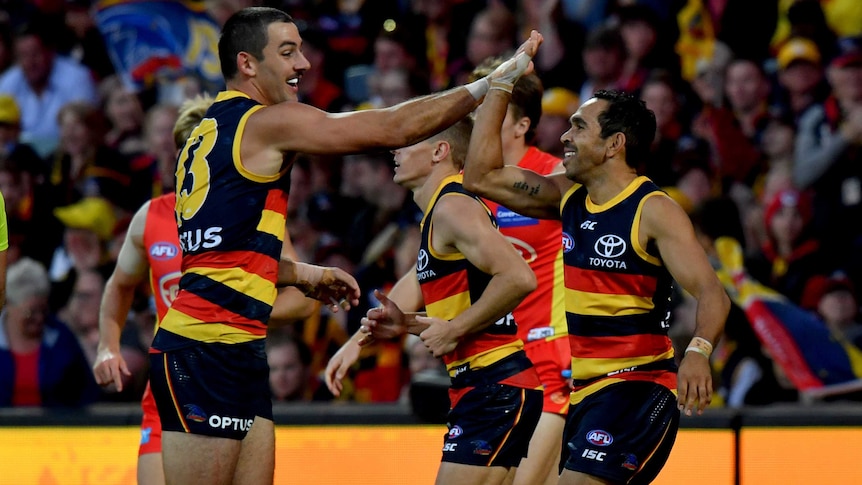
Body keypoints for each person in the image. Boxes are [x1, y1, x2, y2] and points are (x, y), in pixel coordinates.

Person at [148, 7, 544, 485]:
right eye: (288, 52)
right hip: (206, 345)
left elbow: (220, 256)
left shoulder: (208, 134)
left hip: (236, 345)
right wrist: (490, 85)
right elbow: (391, 128)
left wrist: (305, 274)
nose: (305, 64)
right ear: (248, 64)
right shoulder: (267, 122)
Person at [462, 88, 730, 485]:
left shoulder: (654, 210)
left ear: (614, 144)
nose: (564, 138)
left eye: (578, 127)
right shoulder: (568, 196)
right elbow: (480, 177)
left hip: (636, 388)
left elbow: (712, 293)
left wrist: (698, 352)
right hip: (586, 393)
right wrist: (500, 87)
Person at [330, 116, 543, 485]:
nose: (395, 149)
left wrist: (456, 329)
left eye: (408, 140)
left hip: (494, 385)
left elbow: (519, 277)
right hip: (484, 386)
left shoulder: (452, 207)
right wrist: (366, 337)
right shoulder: (439, 211)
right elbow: (416, 279)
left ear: (440, 151)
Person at [466, 63, 571, 485]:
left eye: (494, 109)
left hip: (551, 357)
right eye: (477, 108)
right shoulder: (463, 188)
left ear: (522, 124)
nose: (479, 120)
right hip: (495, 361)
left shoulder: (552, 179)